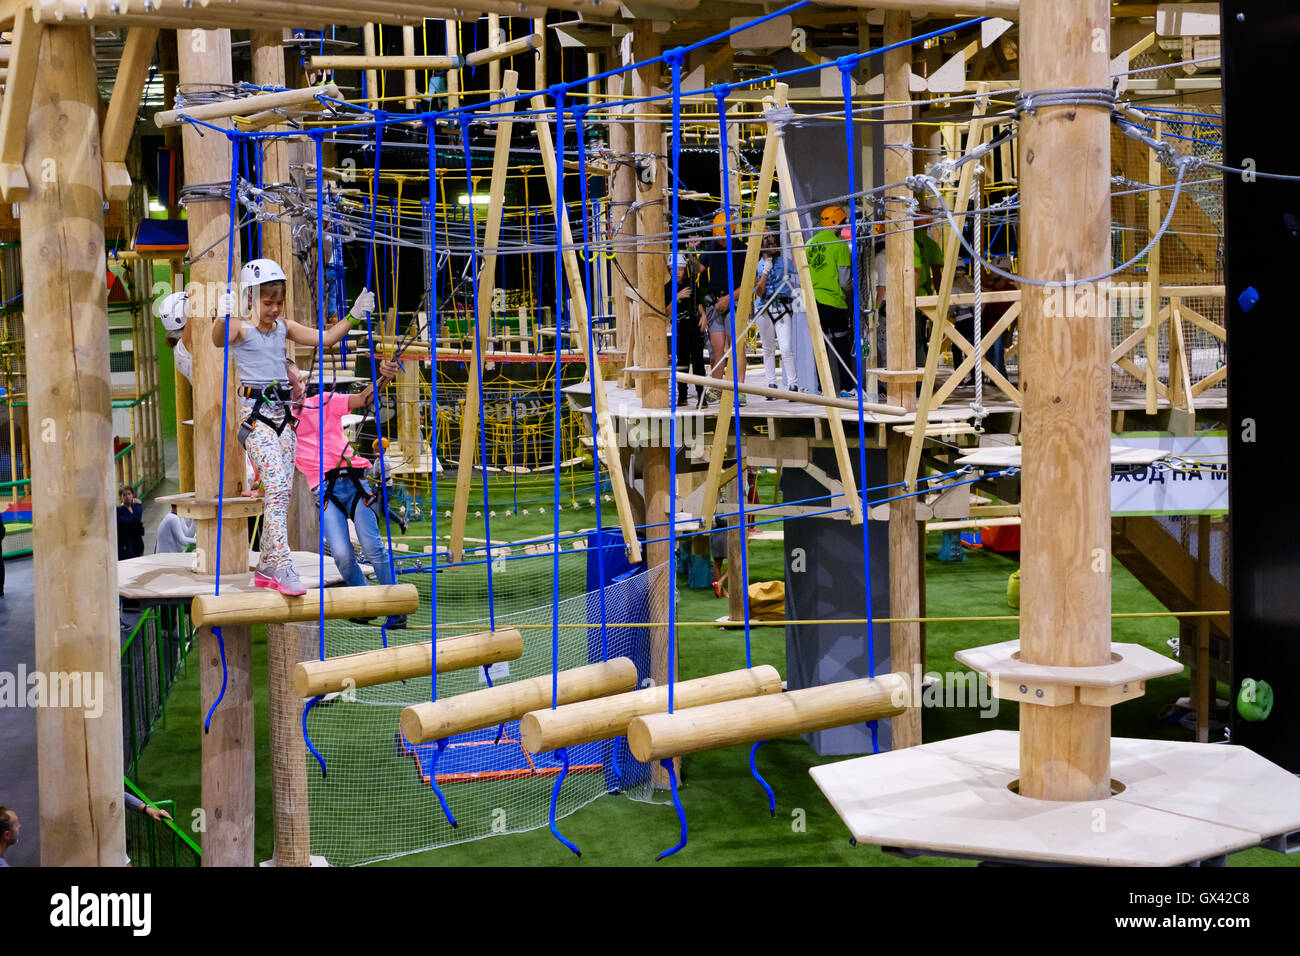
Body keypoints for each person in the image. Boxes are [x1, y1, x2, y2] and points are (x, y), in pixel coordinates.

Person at [212, 257, 368, 595]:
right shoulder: (241, 328)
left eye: (279, 302)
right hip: (256, 418)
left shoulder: (284, 327)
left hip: (285, 418)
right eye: (268, 302)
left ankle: (268, 563)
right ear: (252, 298)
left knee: (279, 497)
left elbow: (326, 338)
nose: (274, 309)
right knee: (279, 490)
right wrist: (221, 315)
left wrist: (354, 315)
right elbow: (219, 339)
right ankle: (281, 565)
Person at [295, 358, 407, 628]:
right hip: (324, 491)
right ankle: (365, 604)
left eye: (299, 380)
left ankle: (396, 609)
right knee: (342, 556)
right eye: (290, 382)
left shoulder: (322, 402)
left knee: (373, 548)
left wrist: (384, 379)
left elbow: (361, 398)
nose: (297, 386)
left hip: (354, 482)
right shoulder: (282, 423)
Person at [806, 205, 855, 395]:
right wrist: (855, 286)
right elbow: (844, 282)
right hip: (834, 303)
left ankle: (823, 388)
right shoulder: (839, 245)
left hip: (814, 303)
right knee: (842, 346)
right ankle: (846, 388)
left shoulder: (810, 243)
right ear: (838, 222)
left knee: (821, 348)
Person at [701, 210, 748, 402]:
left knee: (736, 348)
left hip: (734, 302)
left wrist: (729, 298)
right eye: (718, 239)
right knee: (717, 347)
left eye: (723, 239)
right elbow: (699, 270)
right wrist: (692, 253)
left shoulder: (742, 251)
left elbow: (749, 283)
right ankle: (717, 388)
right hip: (715, 303)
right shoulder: (712, 246)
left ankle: (740, 390)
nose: (721, 242)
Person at [753, 232, 797, 393]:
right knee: (768, 348)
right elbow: (758, 291)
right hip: (764, 307)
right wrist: (764, 272)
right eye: (768, 241)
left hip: (781, 306)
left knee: (786, 347)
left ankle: (793, 383)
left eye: (773, 242)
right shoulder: (756, 264)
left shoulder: (784, 262)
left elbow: (798, 270)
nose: (772, 243)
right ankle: (771, 383)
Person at [664, 253, 709, 407]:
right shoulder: (667, 288)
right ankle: (682, 396)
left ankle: (701, 396)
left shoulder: (690, 284)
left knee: (698, 362)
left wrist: (703, 316)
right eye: (674, 269)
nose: (678, 272)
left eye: (681, 269)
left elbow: (697, 303)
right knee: (682, 362)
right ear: (669, 270)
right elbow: (666, 311)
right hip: (679, 325)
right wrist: (677, 296)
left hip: (693, 324)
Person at [116, 485, 145, 560]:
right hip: (126, 547)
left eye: (129, 494)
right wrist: (139, 506)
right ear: (121, 497)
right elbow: (133, 521)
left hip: (137, 544)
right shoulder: (119, 511)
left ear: (132, 495)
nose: (127, 497)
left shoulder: (134, 508)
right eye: (124, 495)